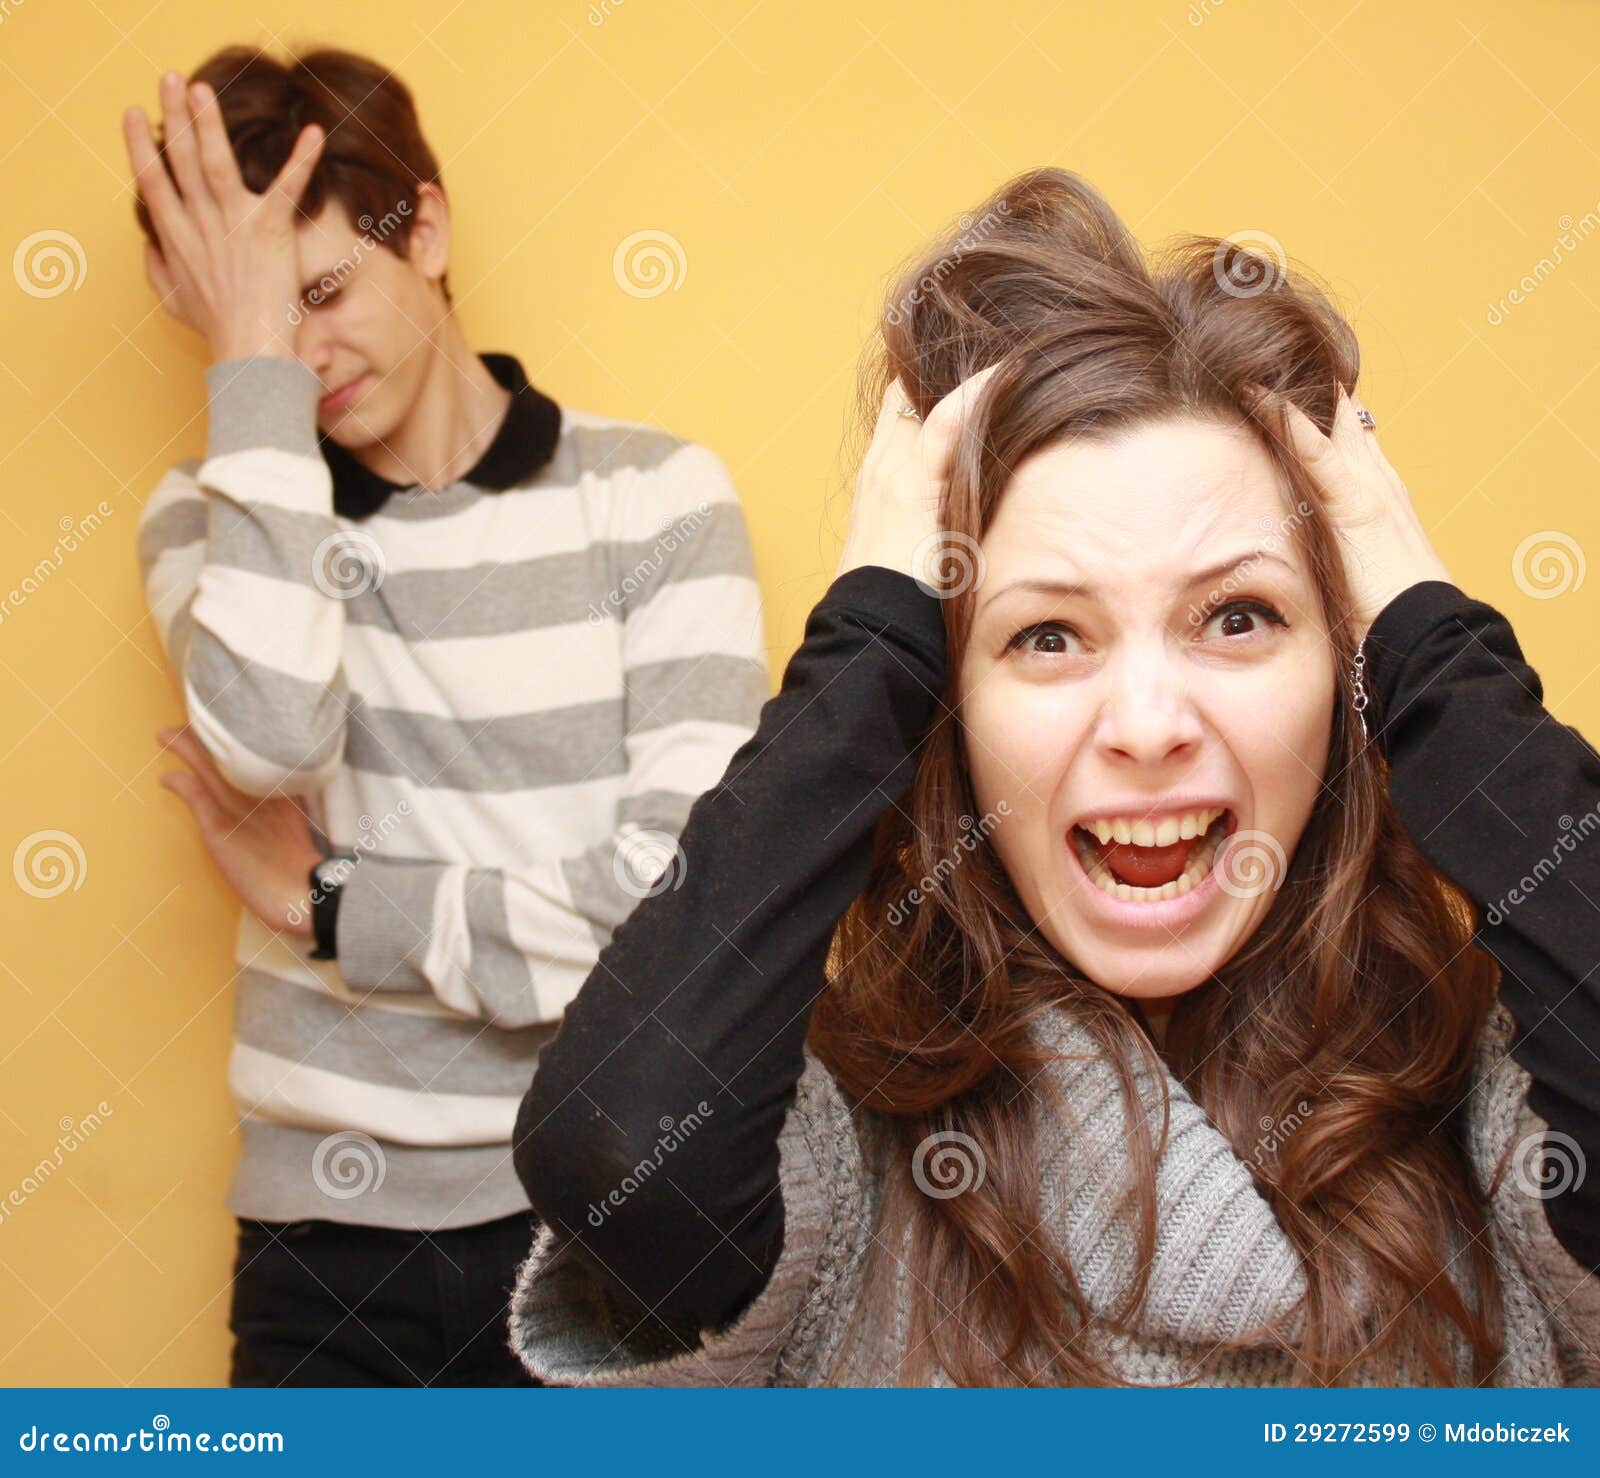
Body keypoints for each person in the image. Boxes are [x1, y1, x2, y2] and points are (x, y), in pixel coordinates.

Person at [508, 168, 1600, 1386]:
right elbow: (617, 1157)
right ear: (941, 710)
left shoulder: (1511, 1135)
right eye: (1045, 635)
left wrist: (1428, 637)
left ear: (1349, 675)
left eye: (1236, 616)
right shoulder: (835, 1169)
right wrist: (866, 639)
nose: (1145, 723)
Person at [127, 46, 768, 1386]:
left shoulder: (658, 498)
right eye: (255, 324)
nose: (297, 360)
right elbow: (271, 739)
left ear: (422, 227)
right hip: (325, 1240)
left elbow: (680, 913)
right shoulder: (216, 516)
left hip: (609, 1201)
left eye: (320, 292)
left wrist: (341, 904)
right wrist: (250, 381)